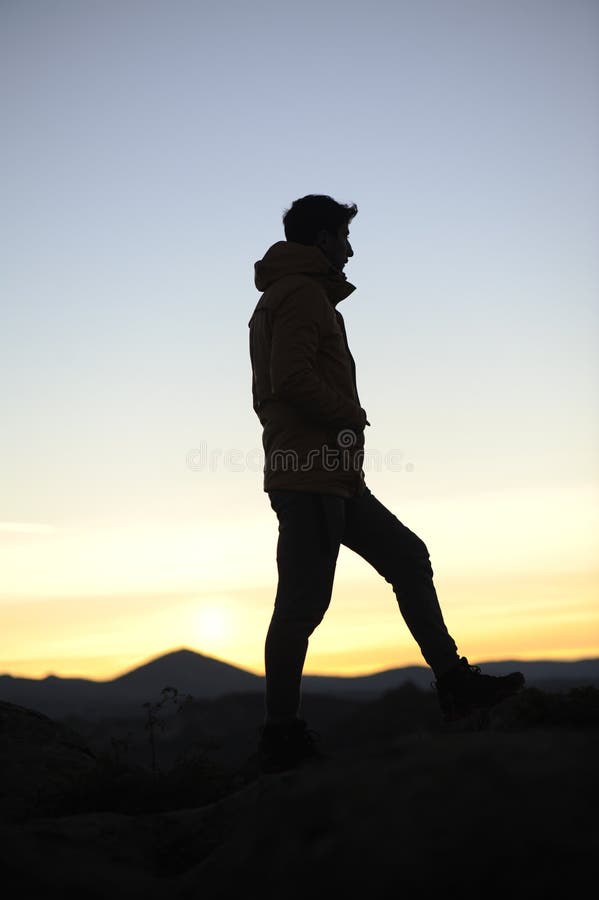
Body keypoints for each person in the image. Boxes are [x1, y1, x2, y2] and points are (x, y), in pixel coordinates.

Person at [248, 194, 524, 773]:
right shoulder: (299, 294)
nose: (350, 250)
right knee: (302, 606)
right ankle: (281, 734)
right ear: (323, 239)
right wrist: (350, 416)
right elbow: (289, 379)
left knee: (407, 557)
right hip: (312, 477)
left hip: (332, 475)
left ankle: (453, 683)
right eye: (344, 238)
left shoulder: (295, 297)